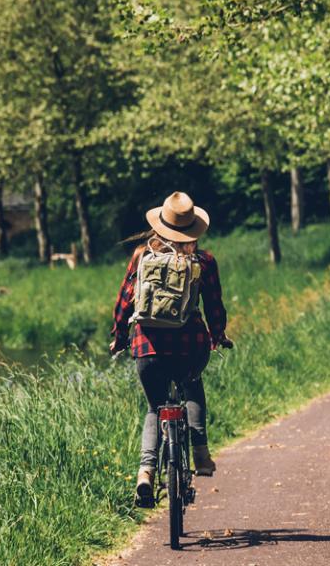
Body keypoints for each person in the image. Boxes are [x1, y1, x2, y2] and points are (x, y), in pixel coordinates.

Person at [110, 191, 231, 507]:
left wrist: (119, 336)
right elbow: (214, 305)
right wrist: (218, 336)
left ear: (160, 225)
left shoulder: (141, 256)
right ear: (193, 229)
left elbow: (125, 302)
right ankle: (201, 455)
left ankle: (145, 472)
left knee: (154, 407)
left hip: (147, 347)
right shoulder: (203, 261)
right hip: (190, 347)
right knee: (192, 387)